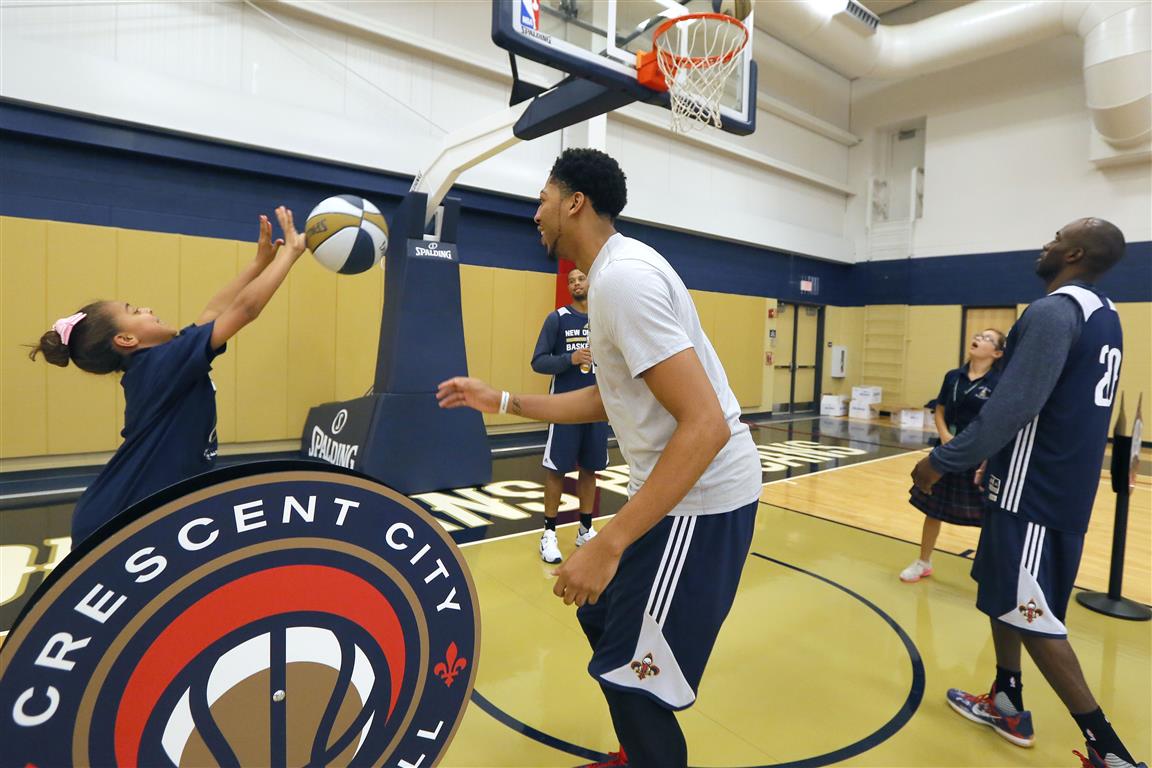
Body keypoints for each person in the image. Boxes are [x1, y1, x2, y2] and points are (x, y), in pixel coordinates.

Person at [438, 148, 762, 768]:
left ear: (574, 203)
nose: (535, 214)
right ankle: (634, 754)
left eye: (542, 200)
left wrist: (607, 543)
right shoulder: (614, 275)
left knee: (634, 681)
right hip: (674, 496)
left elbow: (706, 426)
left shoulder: (623, 282)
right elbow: (606, 395)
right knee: (600, 618)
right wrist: (502, 400)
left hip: (702, 504)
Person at [912, 218, 1145, 768]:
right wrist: (994, 458)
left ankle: (1110, 752)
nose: (1047, 244)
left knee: (1032, 616)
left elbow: (1011, 407)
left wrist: (940, 461)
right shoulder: (1104, 313)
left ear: (1076, 253)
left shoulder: (1052, 312)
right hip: (1045, 484)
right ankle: (1006, 699)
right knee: (1005, 594)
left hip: (1034, 492)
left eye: (1058, 238)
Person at [30, 207, 307, 546]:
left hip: (124, 513)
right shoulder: (160, 365)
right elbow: (244, 310)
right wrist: (290, 254)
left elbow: (214, 312)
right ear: (126, 339)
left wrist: (258, 263)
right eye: (134, 311)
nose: (146, 309)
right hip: (116, 520)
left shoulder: (157, 363)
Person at [900, 327, 1005, 582]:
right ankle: (923, 562)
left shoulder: (999, 383)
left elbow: (997, 422)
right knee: (933, 509)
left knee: (989, 516)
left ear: (997, 353)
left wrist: (981, 451)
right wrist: (945, 435)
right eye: (979, 335)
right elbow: (940, 408)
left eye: (987, 339)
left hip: (978, 455)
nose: (978, 339)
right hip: (947, 451)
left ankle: (992, 571)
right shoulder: (953, 377)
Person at [530, 266, 608, 564]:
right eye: (571, 280)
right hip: (564, 408)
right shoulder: (558, 319)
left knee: (590, 469)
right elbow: (538, 361)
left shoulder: (604, 319)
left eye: (581, 278)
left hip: (597, 407)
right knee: (557, 470)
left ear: (591, 281)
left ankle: (585, 529)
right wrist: (570, 359)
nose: (576, 283)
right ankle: (548, 533)